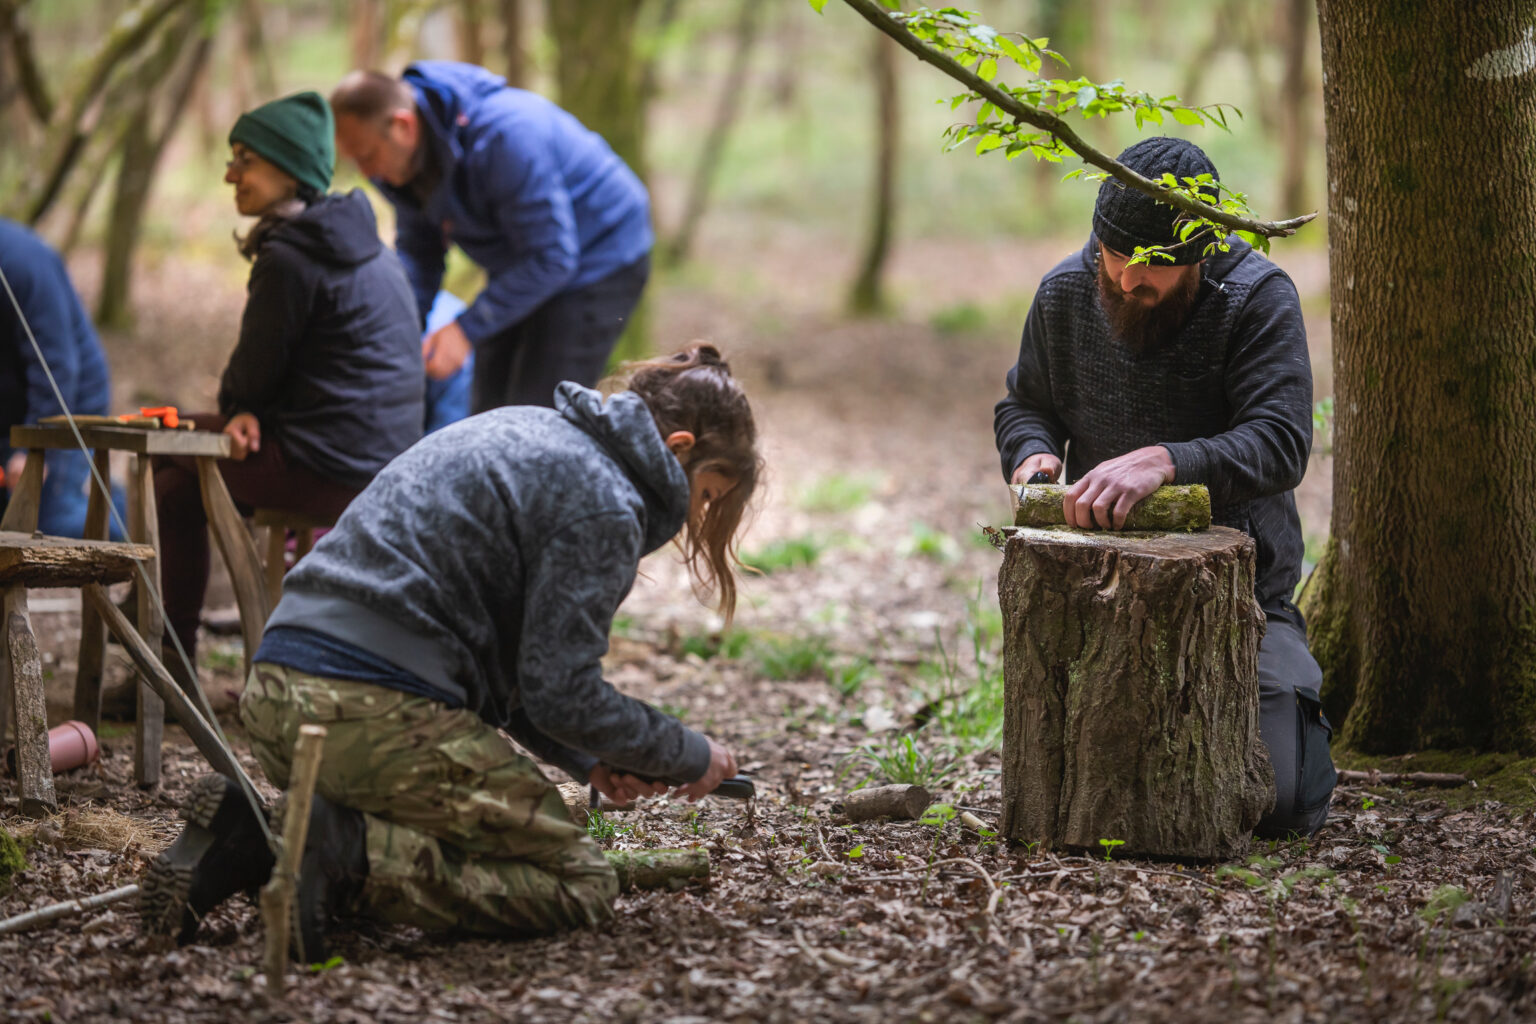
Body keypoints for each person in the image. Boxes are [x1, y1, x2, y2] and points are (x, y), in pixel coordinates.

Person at [142, 344, 761, 956]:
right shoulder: (604, 502)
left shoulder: (523, 427)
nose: (695, 517)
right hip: (365, 714)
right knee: (578, 882)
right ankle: (327, 854)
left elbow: (516, 676)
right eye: (706, 496)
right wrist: (687, 752)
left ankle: (257, 837)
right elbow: (562, 692)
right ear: (678, 449)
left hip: (278, 695)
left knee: (467, 834)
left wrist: (588, 760)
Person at [993, 137, 1336, 839]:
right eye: (1113, 258)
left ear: (1201, 253)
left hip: (1242, 601)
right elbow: (1025, 404)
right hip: (1095, 596)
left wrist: (1167, 460)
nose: (1125, 281)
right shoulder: (1067, 290)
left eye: (1153, 268)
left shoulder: (1255, 299)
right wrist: (1030, 455)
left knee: (1282, 799)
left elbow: (1282, 441)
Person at [152, 91, 423, 670]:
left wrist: (244, 409)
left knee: (168, 444)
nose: (230, 174)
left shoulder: (292, 256)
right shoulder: (364, 245)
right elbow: (295, 374)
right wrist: (247, 410)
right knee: (180, 480)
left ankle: (169, 666)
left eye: (245, 158)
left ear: (291, 167)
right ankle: (176, 659)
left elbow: (249, 378)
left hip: (328, 468)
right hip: (383, 464)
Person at [329, 62, 653, 412]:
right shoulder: (399, 166)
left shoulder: (504, 136)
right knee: (488, 410)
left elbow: (551, 257)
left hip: (601, 255)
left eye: (367, 156)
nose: (366, 173)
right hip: (525, 258)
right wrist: (401, 331)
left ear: (403, 126)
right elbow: (420, 254)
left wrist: (465, 330)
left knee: (536, 413)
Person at [0, 218, 127, 539]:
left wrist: (36, 447)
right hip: (13, 407)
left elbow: (57, 366)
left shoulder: (22, 264)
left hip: (69, 400)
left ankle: (133, 526)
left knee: (45, 523)